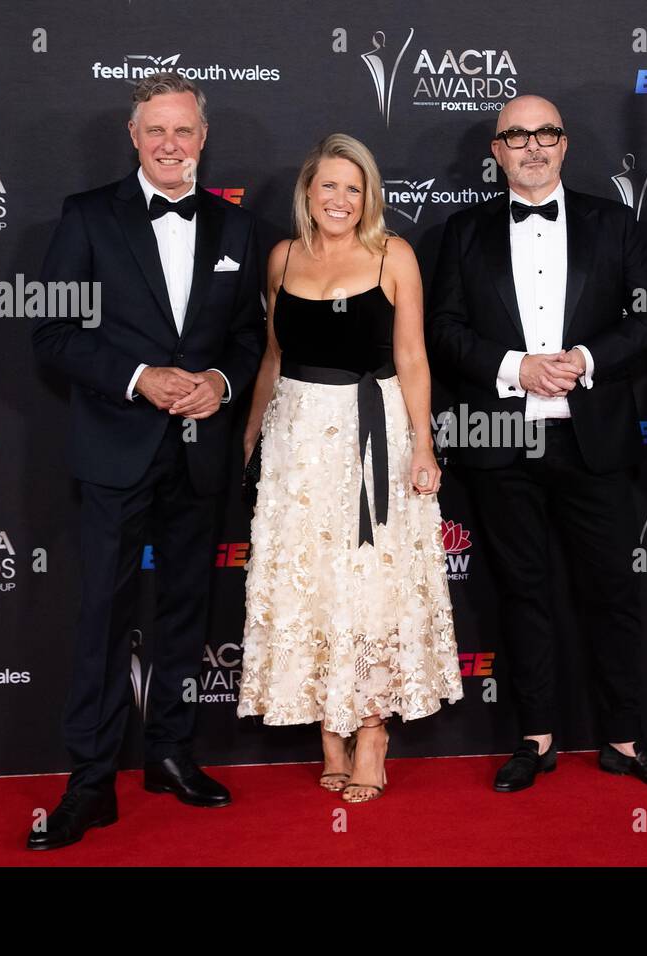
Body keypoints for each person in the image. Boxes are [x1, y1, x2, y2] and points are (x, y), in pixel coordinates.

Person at [428, 95, 647, 793]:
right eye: (516, 135)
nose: (533, 146)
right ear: (496, 151)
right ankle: (535, 736)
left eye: (545, 133)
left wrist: (584, 357)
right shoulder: (461, 233)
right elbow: (444, 329)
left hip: (594, 440)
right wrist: (517, 366)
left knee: (613, 592)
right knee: (521, 592)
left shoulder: (616, 224)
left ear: (565, 144)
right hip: (500, 440)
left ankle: (626, 739)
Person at [29, 73, 265, 849]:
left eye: (184, 131)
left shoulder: (237, 228)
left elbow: (248, 338)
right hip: (116, 449)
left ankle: (170, 752)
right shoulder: (87, 217)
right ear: (134, 138)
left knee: (186, 613)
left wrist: (220, 383)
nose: (171, 144)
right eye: (156, 131)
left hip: (200, 456)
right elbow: (54, 336)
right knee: (104, 614)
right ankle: (91, 781)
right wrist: (138, 379)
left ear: (203, 139)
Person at [237, 134, 462, 803]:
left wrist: (423, 445)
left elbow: (415, 357)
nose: (339, 199)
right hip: (297, 440)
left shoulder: (395, 256)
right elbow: (274, 357)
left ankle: (369, 729)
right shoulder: (282, 257)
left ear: (370, 197)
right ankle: (326, 730)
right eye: (328, 186)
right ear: (309, 192)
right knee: (307, 582)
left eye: (353, 188)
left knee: (370, 583)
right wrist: (252, 432)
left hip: (374, 433)